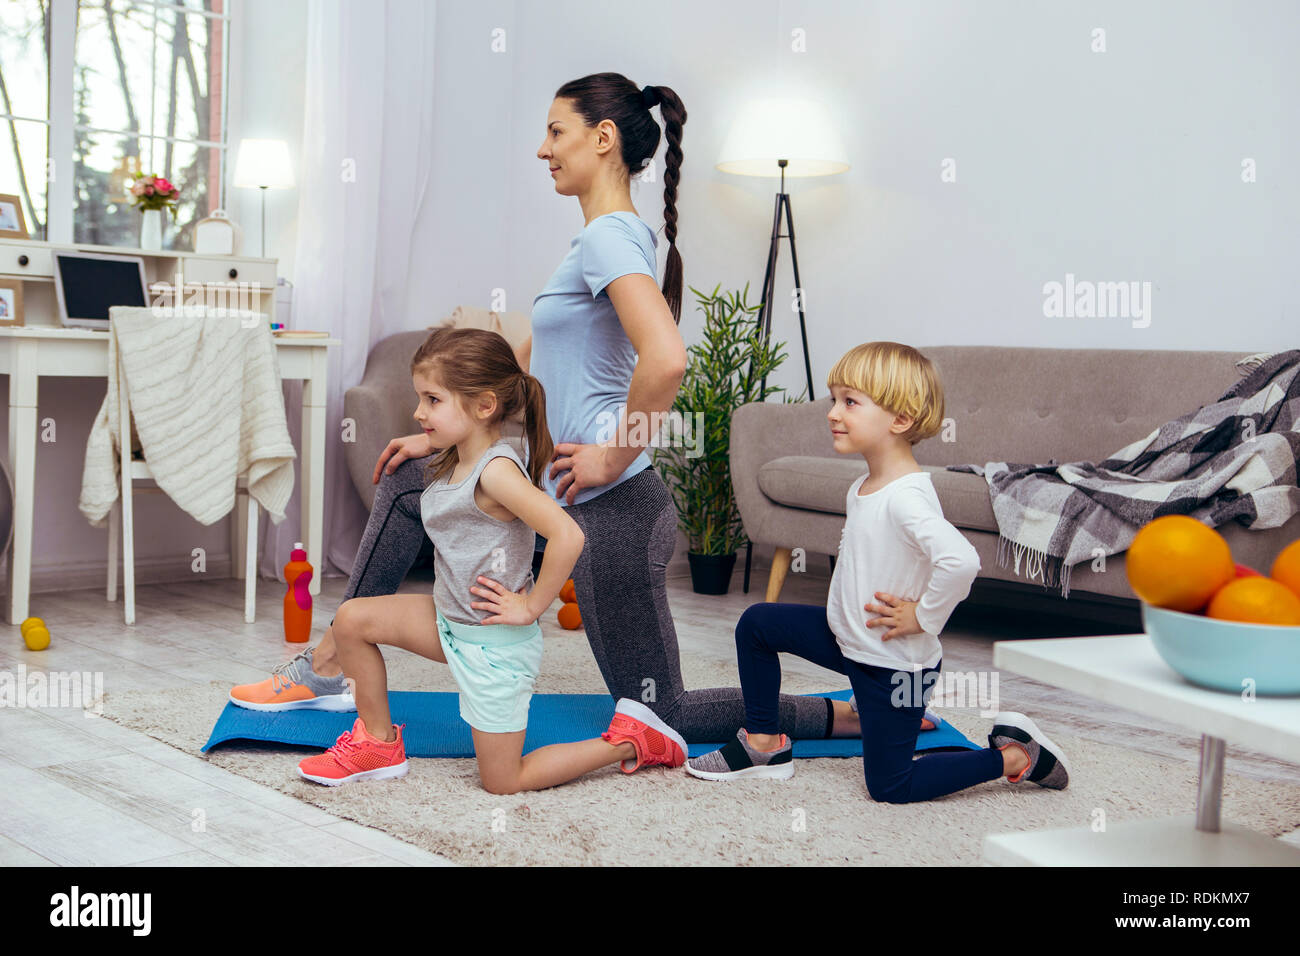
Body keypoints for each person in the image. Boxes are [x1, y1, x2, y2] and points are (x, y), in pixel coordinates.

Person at [232, 72, 859, 743]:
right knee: (409, 481)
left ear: (604, 138)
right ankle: (329, 664)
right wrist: (447, 442)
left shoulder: (609, 239)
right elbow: (527, 376)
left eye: (556, 132)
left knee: (659, 712)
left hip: (613, 509)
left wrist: (612, 454)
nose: (543, 149)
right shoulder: (605, 240)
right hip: (567, 491)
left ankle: (840, 714)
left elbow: (667, 358)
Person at [297, 327, 686, 790]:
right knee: (352, 620)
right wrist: (433, 436)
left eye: (432, 400)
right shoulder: (455, 457)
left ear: (484, 406)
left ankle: (633, 740)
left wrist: (531, 607)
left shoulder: (497, 473)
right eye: (420, 398)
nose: (418, 412)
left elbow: (567, 534)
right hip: (449, 623)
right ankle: (377, 743)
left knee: (503, 780)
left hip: (494, 647)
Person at [685, 342, 1071, 800]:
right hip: (848, 642)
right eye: (833, 399)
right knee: (758, 625)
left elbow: (962, 560)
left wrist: (923, 618)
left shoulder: (906, 497)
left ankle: (1014, 755)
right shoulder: (863, 485)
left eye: (850, 402)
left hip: (893, 669)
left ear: (900, 420)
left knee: (891, 786)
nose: (832, 412)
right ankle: (764, 746)